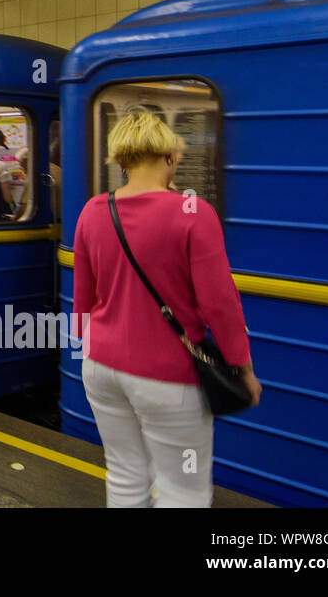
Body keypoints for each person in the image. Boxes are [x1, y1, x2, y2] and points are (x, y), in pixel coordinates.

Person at [72, 108, 261, 508]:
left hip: (101, 369)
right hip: (168, 377)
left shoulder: (92, 210)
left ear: (121, 161)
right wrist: (241, 366)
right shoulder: (193, 213)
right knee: (183, 489)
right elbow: (220, 304)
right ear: (170, 157)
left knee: (124, 475)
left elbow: (83, 299)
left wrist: (91, 342)